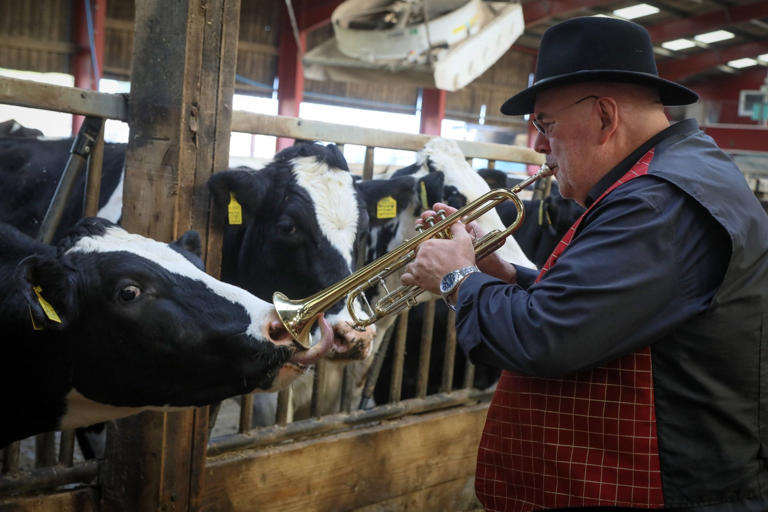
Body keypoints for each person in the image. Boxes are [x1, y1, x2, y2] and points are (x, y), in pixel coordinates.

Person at [401, 16, 768, 512]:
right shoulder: (676, 177)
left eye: (545, 124)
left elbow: (542, 338)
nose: (538, 146)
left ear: (604, 116)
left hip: (668, 491)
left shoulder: (656, 203)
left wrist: (457, 278)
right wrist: (507, 274)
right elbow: (614, 309)